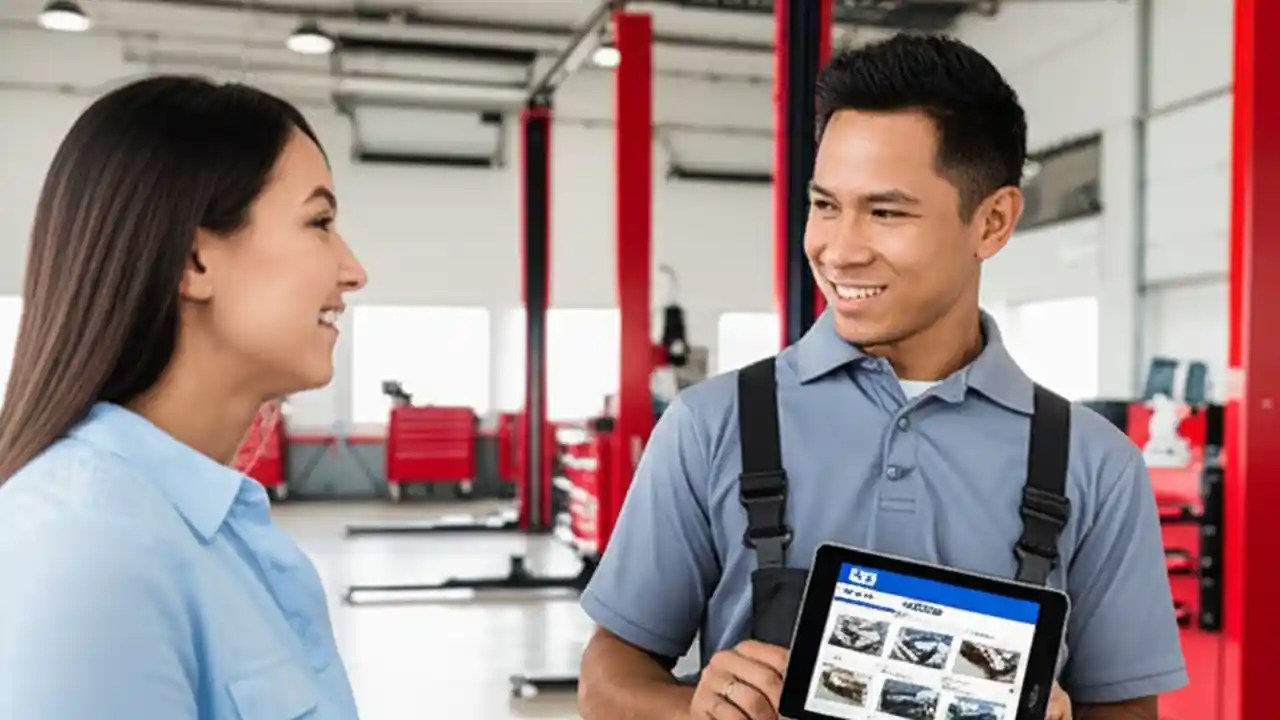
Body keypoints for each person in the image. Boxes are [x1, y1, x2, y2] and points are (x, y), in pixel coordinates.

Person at [577, 34, 1186, 720]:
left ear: (992, 221)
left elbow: (1127, 708)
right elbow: (607, 680)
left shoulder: (1095, 465)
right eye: (826, 205)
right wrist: (695, 710)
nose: (838, 249)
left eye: (886, 212)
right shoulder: (713, 426)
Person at [0, 76, 367, 718]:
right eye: (320, 222)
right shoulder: (86, 553)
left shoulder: (219, 533)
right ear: (194, 261)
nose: (353, 270)